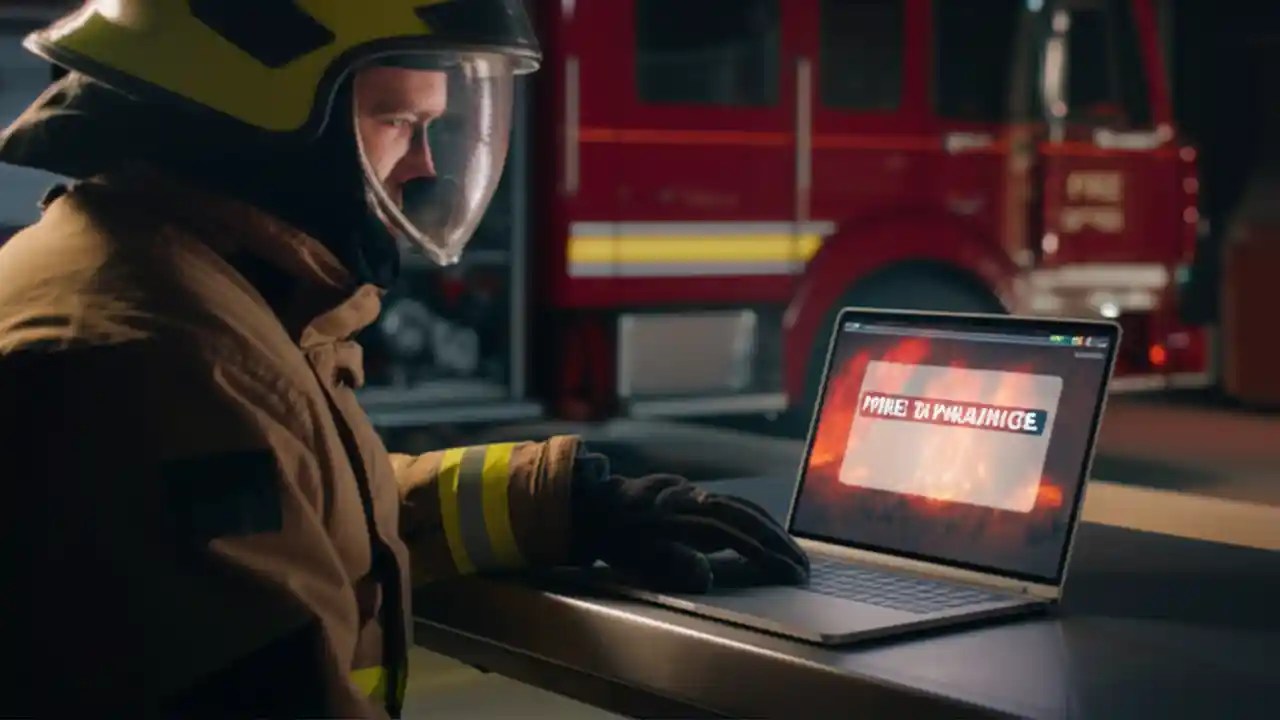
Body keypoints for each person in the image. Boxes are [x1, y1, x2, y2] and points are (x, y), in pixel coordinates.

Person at [0, 2, 809, 718]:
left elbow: (312, 509)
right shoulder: (157, 362)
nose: (425, 167)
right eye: (398, 122)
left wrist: (559, 501)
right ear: (265, 114)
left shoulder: (172, 289)